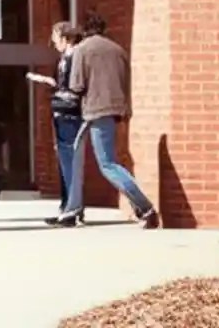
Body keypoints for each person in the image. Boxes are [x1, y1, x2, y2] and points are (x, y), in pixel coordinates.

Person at [55, 12, 159, 229]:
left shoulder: (82, 50)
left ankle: (145, 207)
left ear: (85, 30)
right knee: (77, 157)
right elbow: (126, 80)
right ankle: (72, 209)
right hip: (114, 109)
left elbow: (76, 85)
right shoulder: (118, 50)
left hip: (93, 109)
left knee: (108, 164)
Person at [26, 21, 85, 225]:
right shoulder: (65, 58)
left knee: (69, 161)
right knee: (64, 160)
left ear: (66, 38)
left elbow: (75, 87)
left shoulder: (75, 57)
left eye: (55, 37)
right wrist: (46, 81)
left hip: (70, 114)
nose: (53, 42)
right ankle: (67, 205)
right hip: (63, 112)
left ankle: (72, 209)